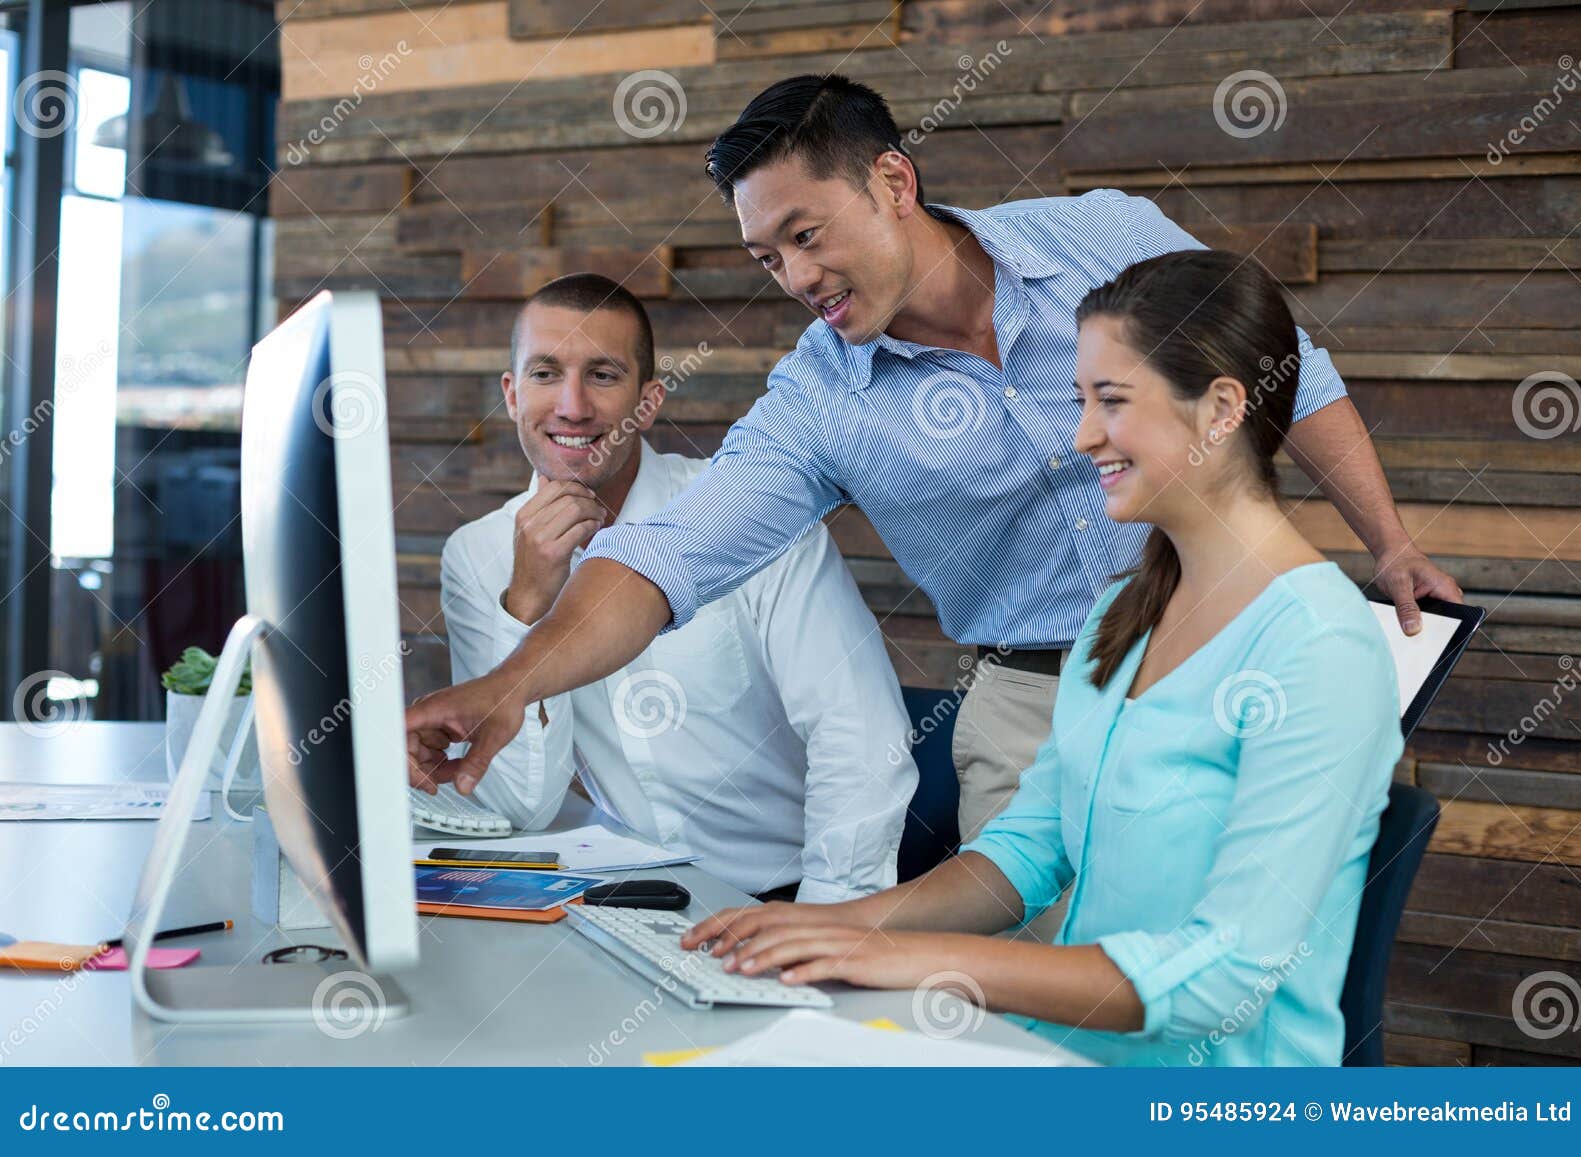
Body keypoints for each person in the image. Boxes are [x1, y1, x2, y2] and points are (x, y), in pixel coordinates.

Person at [406, 74, 1454, 845]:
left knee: (1257, 975)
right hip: (1039, 706)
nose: (796, 278)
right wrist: (509, 684)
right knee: (1043, 1022)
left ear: (893, 180)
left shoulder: (1103, 238)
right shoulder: (818, 399)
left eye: (808, 235)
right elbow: (665, 558)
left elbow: (1286, 369)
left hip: (1239, 653)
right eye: (769, 257)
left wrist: (1391, 544)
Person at [680, 250, 1405, 1067]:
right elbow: (1026, 851)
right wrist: (834, 925)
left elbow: (1223, 975)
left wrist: (912, 959)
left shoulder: (1319, 645)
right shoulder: (1120, 614)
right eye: (1080, 400)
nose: (1082, 435)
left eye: (1112, 401)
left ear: (1221, 409)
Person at [428, 273, 916, 902]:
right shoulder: (476, 555)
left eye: (603, 375)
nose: (572, 406)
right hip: (621, 895)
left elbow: (859, 732)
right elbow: (523, 806)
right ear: (512, 395)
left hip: (782, 894)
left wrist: (827, 921)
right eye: (545, 374)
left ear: (648, 400)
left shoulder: (751, 509)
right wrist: (525, 604)